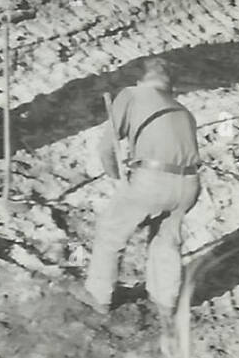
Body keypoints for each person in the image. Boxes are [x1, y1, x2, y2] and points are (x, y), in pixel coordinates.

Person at [77, 58, 201, 334]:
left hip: (151, 180)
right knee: (167, 240)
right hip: (190, 184)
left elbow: (107, 148)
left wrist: (117, 179)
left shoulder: (131, 95)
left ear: (141, 80)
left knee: (111, 233)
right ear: (171, 86)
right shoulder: (183, 110)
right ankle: (165, 301)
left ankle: (100, 297)